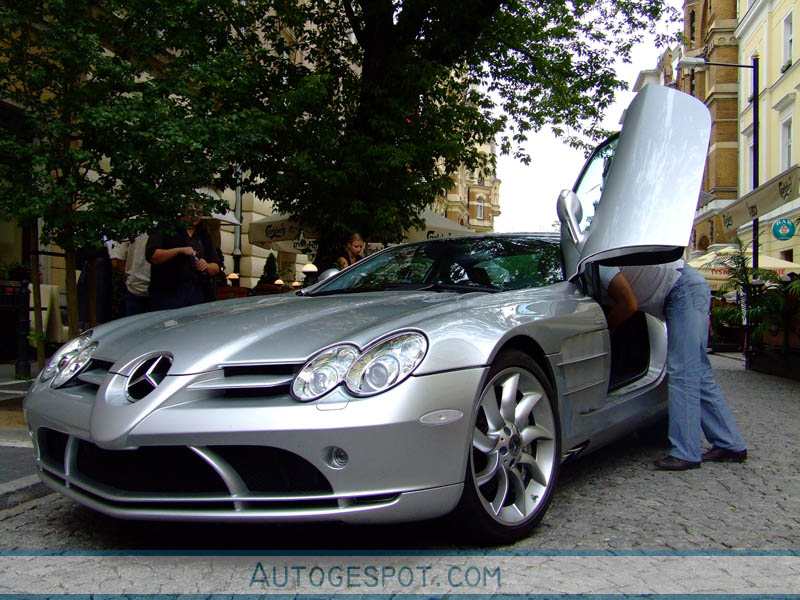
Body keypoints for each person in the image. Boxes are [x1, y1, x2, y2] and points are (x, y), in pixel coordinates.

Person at [600, 260, 747, 471]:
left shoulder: (600, 267)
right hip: (685, 286)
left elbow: (629, 304)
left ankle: (686, 452)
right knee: (698, 372)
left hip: (682, 287)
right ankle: (730, 443)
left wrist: (607, 327)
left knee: (683, 371)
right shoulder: (597, 260)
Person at [145, 210, 221, 311]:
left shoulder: (203, 235)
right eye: (192, 212)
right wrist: (179, 251)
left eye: (199, 213)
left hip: (196, 293)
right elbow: (153, 256)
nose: (196, 216)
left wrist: (206, 265)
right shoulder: (166, 229)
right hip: (168, 292)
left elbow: (216, 267)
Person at [109, 234, 151, 316]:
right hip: (141, 287)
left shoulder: (129, 225)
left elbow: (118, 260)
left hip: (134, 285)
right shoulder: (167, 224)